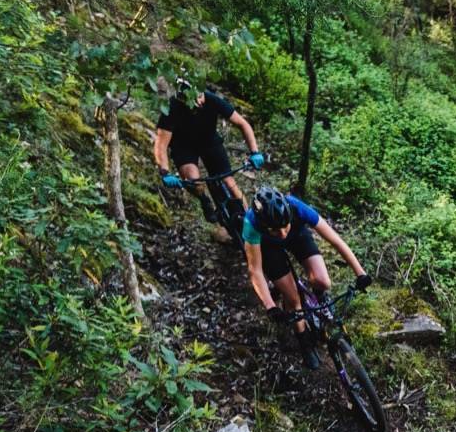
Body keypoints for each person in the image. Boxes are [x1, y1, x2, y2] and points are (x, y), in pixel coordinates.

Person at [241, 185, 373, 368]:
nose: (282, 233)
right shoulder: (252, 224)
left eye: (284, 226)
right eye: (275, 230)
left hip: (298, 234)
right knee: (293, 300)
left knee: (323, 281)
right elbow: (255, 270)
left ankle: (319, 296)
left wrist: (360, 273)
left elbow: (335, 239)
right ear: (264, 226)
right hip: (269, 248)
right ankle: (304, 343)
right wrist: (270, 306)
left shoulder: (296, 207)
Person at [153, 77, 262, 239]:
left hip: (209, 141)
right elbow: (161, 143)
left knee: (230, 184)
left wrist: (255, 152)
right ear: (183, 98)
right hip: (183, 146)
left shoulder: (212, 100)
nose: (200, 101)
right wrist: (165, 172)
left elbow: (242, 124)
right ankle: (204, 199)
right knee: (193, 180)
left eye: (201, 95)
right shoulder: (172, 107)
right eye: (194, 99)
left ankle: (251, 223)